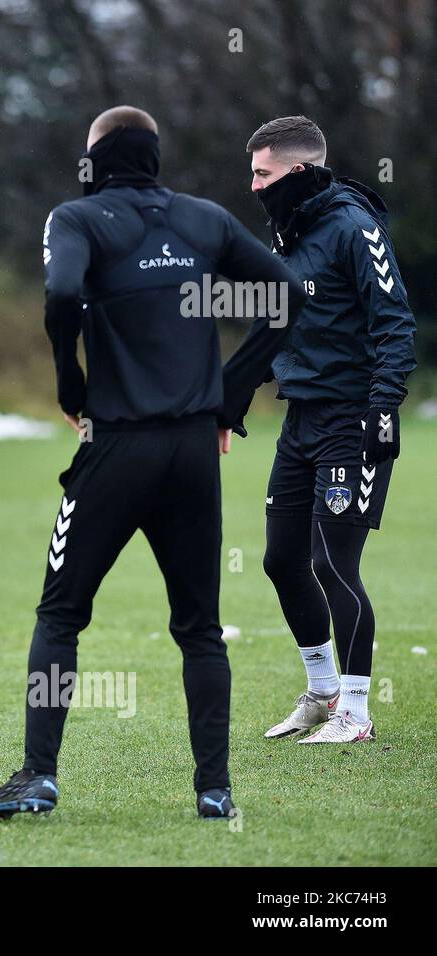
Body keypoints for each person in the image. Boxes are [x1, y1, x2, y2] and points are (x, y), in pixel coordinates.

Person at [0, 106, 305, 820]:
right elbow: (287, 294)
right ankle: (215, 790)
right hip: (191, 454)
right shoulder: (205, 219)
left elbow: (61, 294)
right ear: (154, 156)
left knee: (60, 613)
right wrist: (227, 395)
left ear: (95, 160)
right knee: (200, 629)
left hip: (116, 447)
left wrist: (70, 384)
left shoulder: (78, 219)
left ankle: (39, 774)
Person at [243, 116, 415, 744]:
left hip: (354, 419)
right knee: (280, 559)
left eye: (262, 173)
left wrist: (383, 408)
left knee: (332, 562)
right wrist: (231, 403)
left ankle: (357, 713)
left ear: (297, 170)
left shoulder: (355, 227)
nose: (254, 185)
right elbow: (277, 327)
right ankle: (321, 693)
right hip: (302, 418)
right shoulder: (289, 234)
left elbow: (395, 323)